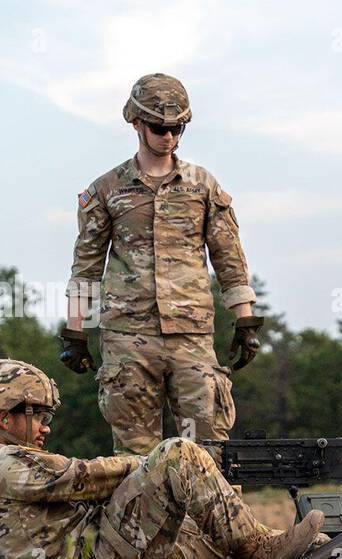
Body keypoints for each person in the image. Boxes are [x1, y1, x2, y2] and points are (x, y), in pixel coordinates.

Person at [0, 359, 324, 559]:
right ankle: (263, 554)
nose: (45, 428)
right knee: (177, 452)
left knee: (218, 545)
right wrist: (163, 464)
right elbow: (85, 476)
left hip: (99, 558)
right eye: (38, 416)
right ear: (4, 417)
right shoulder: (2, 466)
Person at [58, 73, 263, 455]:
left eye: (177, 127)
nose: (169, 136)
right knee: (136, 458)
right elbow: (86, 265)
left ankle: (214, 518)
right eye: (159, 127)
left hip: (192, 337)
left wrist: (246, 320)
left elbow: (229, 257)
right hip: (128, 338)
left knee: (206, 451)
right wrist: (76, 332)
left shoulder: (202, 186)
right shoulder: (106, 190)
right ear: (136, 123)